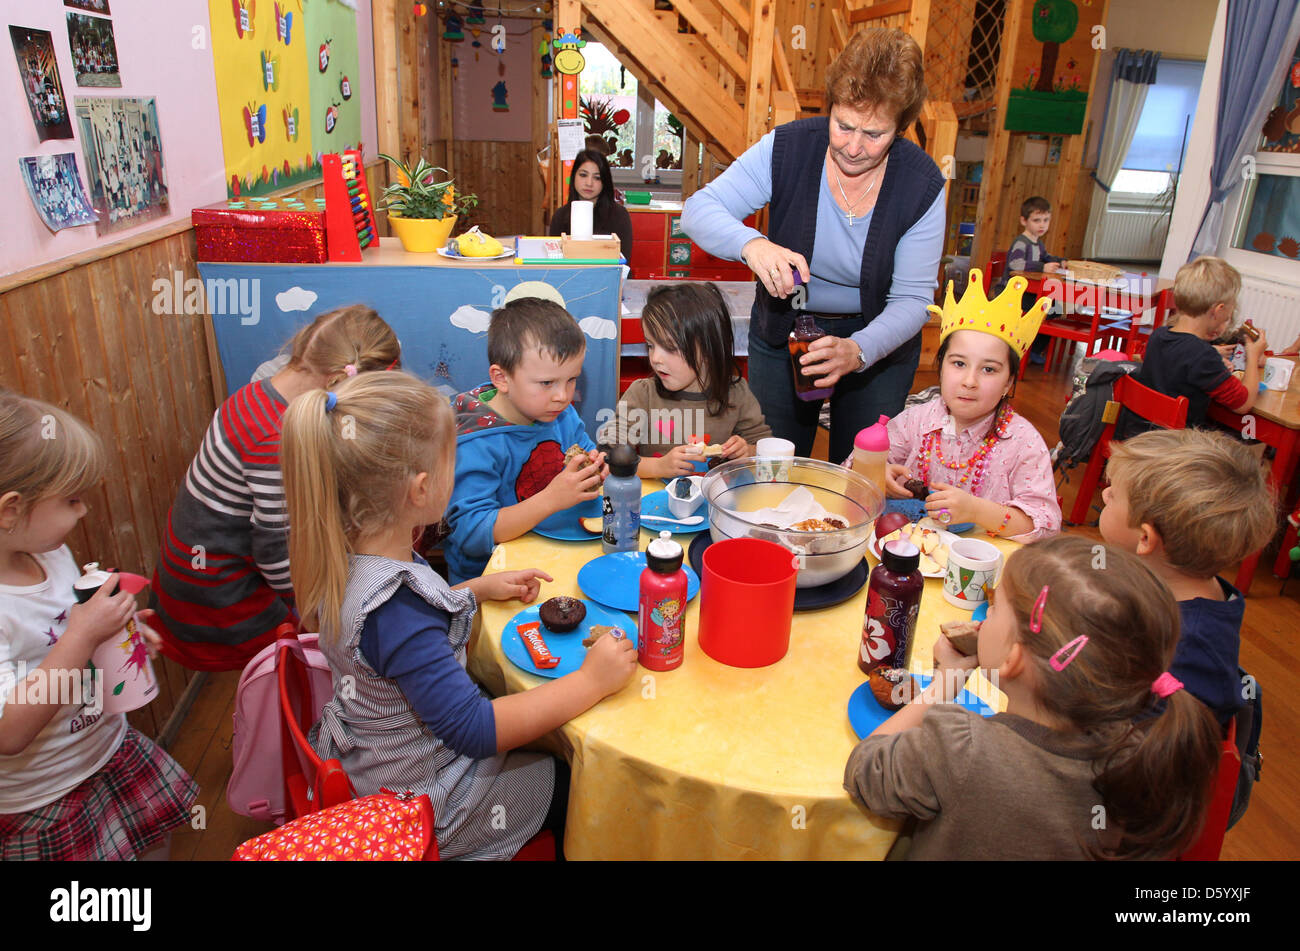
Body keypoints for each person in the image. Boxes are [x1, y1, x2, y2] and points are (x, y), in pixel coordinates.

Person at [281, 372, 636, 859]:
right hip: (427, 802)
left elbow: (403, 635)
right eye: (452, 460)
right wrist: (592, 682)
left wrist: (473, 591)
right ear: (422, 490)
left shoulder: (351, 555)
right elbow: (473, 729)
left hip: (371, 758)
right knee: (573, 776)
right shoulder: (395, 611)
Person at [845, 535, 1221, 860]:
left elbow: (865, 772)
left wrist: (944, 683)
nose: (985, 615)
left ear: (1012, 661)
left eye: (994, 610)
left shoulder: (962, 747)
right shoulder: (1141, 759)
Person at [681, 28, 946, 464]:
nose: (854, 147)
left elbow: (914, 300)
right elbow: (699, 210)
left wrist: (857, 349)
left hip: (877, 344)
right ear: (830, 107)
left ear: (901, 127)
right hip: (784, 331)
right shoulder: (788, 149)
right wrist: (753, 244)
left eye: (875, 134)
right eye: (843, 125)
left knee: (861, 475)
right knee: (771, 467)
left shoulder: (922, 183)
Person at [0, 391, 198, 860]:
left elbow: (69, 632)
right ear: (10, 510)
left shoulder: (50, 552)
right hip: (45, 795)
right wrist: (83, 635)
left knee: (152, 840)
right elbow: (9, 733)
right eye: (72, 500)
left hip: (108, 748)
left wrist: (115, 637)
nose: (84, 511)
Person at [151, 305, 400, 671]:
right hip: (223, 594)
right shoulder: (273, 441)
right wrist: (321, 616)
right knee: (286, 674)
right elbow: (276, 553)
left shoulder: (259, 395)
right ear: (336, 381)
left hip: (211, 571)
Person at [1099, 428, 1275, 726]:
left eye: (1113, 494)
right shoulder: (1175, 579)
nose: (1104, 493)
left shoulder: (1187, 649)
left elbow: (1133, 747)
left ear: (1145, 537)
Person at [883, 269, 1061, 541]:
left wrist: (977, 510)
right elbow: (856, 470)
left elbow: (1046, 526)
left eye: (989, 370)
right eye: (958, 363)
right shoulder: (915, 421)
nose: (970, 381)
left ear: (1008, 382)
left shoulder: (1023, 443)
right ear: (940, 367)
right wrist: (878, 474)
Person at [445, 299, 608, 583]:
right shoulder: (474, 444)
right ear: (501, 378)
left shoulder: (559, 413)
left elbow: (586, 446)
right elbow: (471, 534)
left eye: (572, 380)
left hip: (553, 555)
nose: (563, 396)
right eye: (547, 383)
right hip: (491, 579)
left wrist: (594, 465)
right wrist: (551, 499)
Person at [598, 282, 771, 478]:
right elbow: (607, 456)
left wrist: (746, 451)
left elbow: (766, 449)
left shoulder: (737, 393)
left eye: (670, 347)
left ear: (708, 348)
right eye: (650, 345)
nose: (655, 358)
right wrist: (657, 467)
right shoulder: (643, 394)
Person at [1116, 257, 1268, 440]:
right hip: (1174, 446)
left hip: (1137, 433)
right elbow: (1243, 404)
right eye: (1228, 315)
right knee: (1243, 437)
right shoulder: (1202, 356)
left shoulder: (1159, 335)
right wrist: (1253, 355)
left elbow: (1180, 362)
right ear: (1218, 310)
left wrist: (1213, 355)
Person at [993, 196, 1063, 365]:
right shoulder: (1021, 243)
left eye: (1046, 220)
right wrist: (1042, 267)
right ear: (1024, 221)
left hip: (1029, 292)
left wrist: (1059, 261)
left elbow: (1045, 257)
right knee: (1045, 309)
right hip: (1012, 292)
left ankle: (1035, 348)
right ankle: (1021, 346)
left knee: (1054, 309)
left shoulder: (1038, 244)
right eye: (1036, 220)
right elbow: (1015, 264)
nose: (1042, 225)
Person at [548, 148, 634, 256]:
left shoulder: (619, 215)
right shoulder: (560, 216)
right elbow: (554, 262)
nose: (589, 183)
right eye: (583, 175)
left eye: (597, 178)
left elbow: (623, 263)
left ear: (605, 182)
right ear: (574, 176)